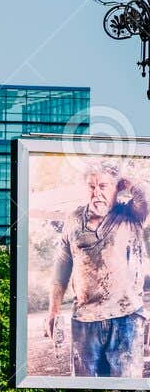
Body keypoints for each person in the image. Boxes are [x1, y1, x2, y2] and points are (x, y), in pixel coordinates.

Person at [47, 161, 150, 378]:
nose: (97, 193)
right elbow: (62, 267)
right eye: (91, 187)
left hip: (127, 318)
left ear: (116, 188)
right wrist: (53, 310)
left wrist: (128, 182)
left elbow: (146, 196)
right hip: (85, 320)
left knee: (126, 391)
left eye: (103, 186)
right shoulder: (74, 219)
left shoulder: (131, 214)